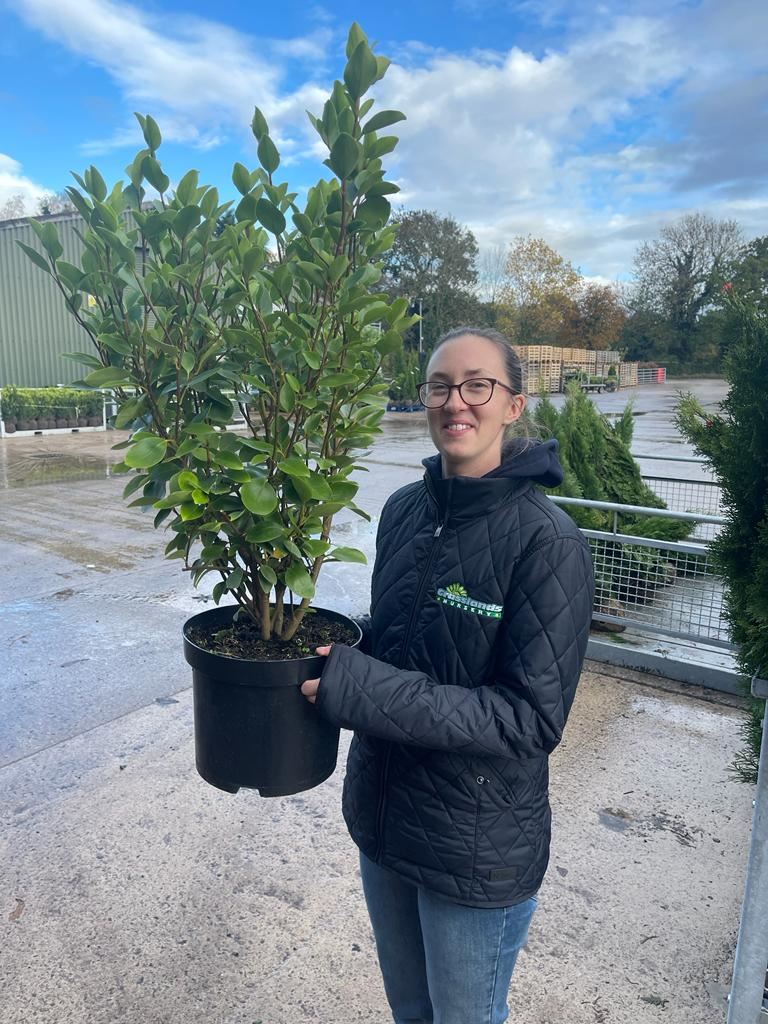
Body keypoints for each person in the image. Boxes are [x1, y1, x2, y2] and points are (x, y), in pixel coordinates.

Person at [301, 326, 595, 1024]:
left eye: (476, 385)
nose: (454, 401)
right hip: (386, 819)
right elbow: (402, 643)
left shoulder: (547, 542)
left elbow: (529, 718)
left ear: (513, 406)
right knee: (411, 1010)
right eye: (439, 385)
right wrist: (327, 643)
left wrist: (360, 688)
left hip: (474, 847)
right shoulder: (405, 511)